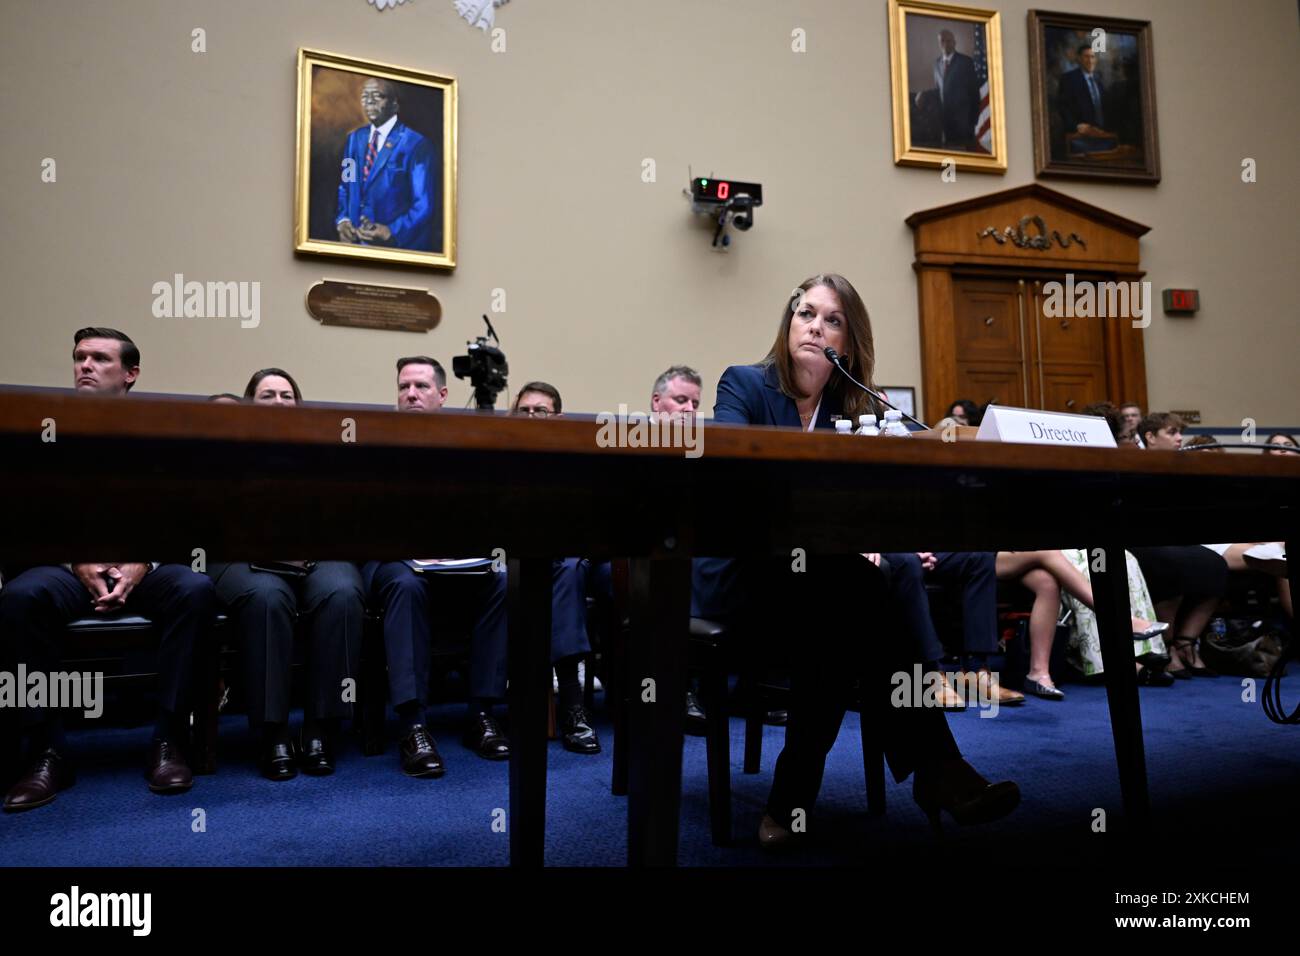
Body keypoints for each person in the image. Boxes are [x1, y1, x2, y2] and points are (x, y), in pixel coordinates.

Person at [696, 274, 1019, 848]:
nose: (814, 325)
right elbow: (733, 485)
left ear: (848, 341)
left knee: (843, 608)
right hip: (744, 578)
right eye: (805, 313)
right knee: (858, 592)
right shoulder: (743, 384)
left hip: (822, 588)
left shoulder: (855, 406)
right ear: (788, 322)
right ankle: (938, 769)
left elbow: (879, 503)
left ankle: (794, 799)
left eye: (832, 319)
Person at [1, 328, 216, 811]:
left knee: (196, 588)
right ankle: (47, 751)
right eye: (79, 357)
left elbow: (188, 518)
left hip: (148, 568)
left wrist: (146, 561)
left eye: (99, 358)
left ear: (131, 373)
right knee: (20, 598)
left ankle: (168, 739)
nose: (85, 366)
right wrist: (75, 560)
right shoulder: (45, 431)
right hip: (66, 567)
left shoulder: (164, 434)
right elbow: (23, 517)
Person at [204, 368, 366, 780]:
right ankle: (272, 732)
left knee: (343, 592)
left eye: (286, 395)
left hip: (314, 555)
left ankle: (320, 729)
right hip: (240, 559)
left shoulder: (319, 450)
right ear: (248, 404)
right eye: (267, 395)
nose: (278, 402)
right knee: (266, 599)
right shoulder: (224, 448)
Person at [363, 357, 510, 776]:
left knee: (500, 580)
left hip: (456, 561)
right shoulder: (374, 444)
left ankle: (482, 713)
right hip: (394, 562)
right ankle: (413, 726)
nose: (411, 394)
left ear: (443, 395)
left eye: (421, 387)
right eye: (404, 386)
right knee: (405, 585)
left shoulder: (465, 446)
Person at [507, 381, 602, 755]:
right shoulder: (496, 453)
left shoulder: (576, 459)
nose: (531, 417)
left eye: (540, 411)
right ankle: (572, 707)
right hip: (513, 560)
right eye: (524, 410)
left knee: (570, 568)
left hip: (568, 559)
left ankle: (574, 707)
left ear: (558, 418)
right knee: (562, 569)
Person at [995, 551, 1168, 695]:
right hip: (984, 555)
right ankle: (1119, 619)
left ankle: (1037, 673)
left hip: (1023, 553)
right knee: (1052, 553)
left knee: (1048, 583)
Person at [335, 77, 438, 252]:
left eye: (377, 96)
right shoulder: (354, 139)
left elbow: (423, 205)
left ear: (394, 105)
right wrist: (343, 220)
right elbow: (346, 185)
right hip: (354, 247)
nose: (369, 101)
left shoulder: (417, 144)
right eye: (365, 96)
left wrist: (392, 231)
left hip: (395, 250)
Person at [914, 29, 980, 150]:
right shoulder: (936, 64)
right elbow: (940, 90)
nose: (945, 44)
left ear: (954, 43)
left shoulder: (965, 62)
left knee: (965, 161)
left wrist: (973, 121)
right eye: (942, 41)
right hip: (945, 121)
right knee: (950, 160)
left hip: (963, 122)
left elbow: (974, 93)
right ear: (939, 43)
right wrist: (922, 93)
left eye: (949, 41)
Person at [1057, 45, 1110, 155]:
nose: (1090, 60)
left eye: (1092, 57)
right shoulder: (1069, 79)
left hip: (1102, 136)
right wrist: (1077, 126)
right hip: (1080, 137)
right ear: (1079, 59)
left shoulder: (1099, 81)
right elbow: (1062, 107)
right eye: (1086, 57)